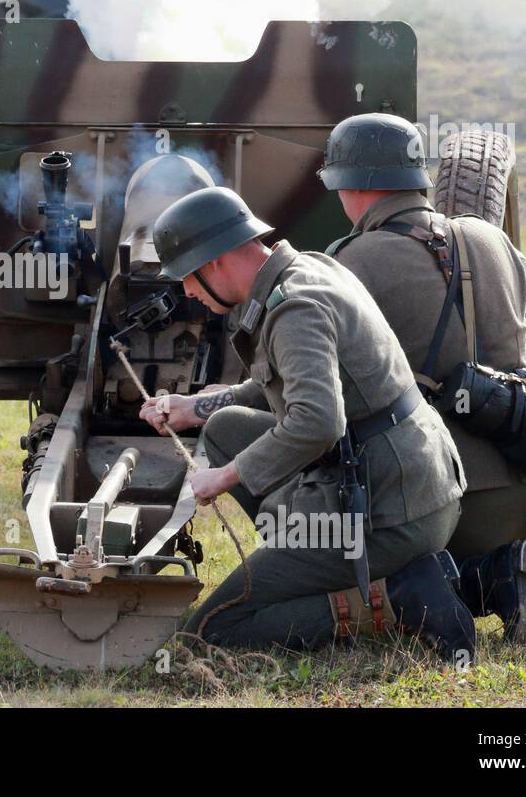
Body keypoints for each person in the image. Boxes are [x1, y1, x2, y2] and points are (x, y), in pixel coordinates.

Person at [139, 186, 474, 661]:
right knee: (225, 426)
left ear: (214, 261)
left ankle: (400, 598)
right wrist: (194, 408)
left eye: (188, 278)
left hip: (390, 514)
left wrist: (225, 476)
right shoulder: (308, 268)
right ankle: (473, 576)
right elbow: (291, 383)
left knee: (213, 631)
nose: (187, 292)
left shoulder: (294, 307)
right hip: (412, 483)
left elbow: (317, 421)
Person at [318, 112, 526, 640]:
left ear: (349, 185)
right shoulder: (493, 240)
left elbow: (321, 385)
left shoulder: (347, 264)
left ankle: (490, 579)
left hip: (436, 505)